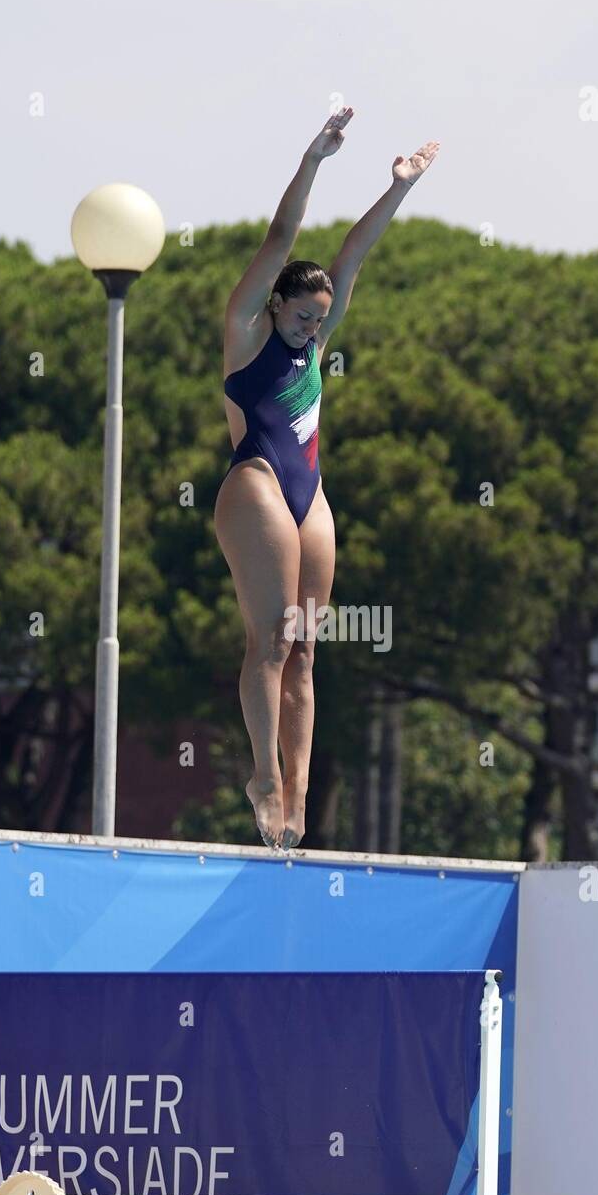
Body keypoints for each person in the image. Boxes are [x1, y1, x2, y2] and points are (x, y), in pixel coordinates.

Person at [215, 106, 439, 848]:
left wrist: (399, 187)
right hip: (255, 486)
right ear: (275, 305)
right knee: (271, 644)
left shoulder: (314, 341)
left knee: (307, 651)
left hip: (310, 497)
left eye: (322, 320)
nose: (314, 329)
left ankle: (298, 797)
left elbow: (355, 253)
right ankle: (263, 775)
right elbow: (283, 238)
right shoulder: (248, 333)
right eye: (304, 317)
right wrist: (314, 159)